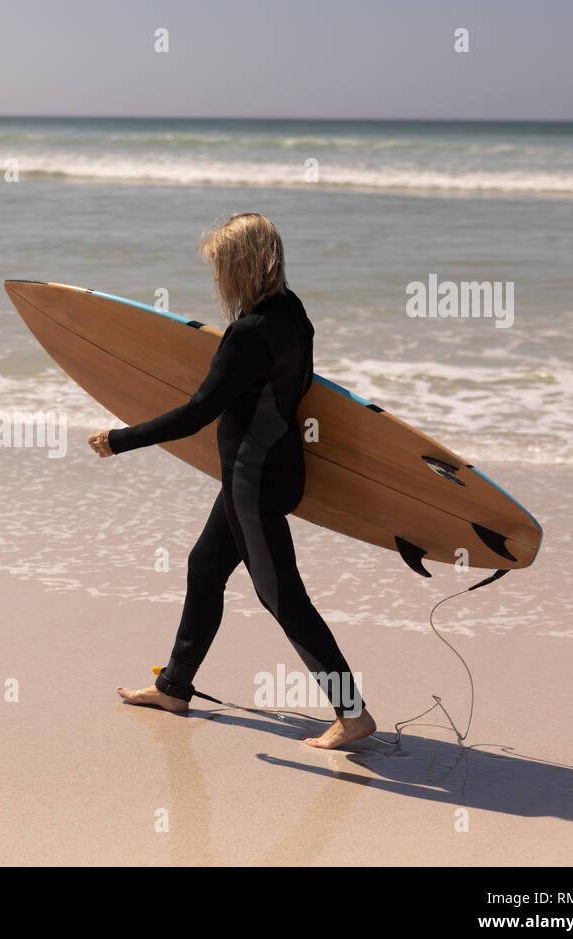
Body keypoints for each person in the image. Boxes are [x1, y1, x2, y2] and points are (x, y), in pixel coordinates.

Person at [91, 212, 375, 749]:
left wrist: (120, 439)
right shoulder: (293, 314)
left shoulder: (247, 334)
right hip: (280, 468)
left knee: (282, 598)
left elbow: (196, 414)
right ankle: (174, 687)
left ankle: (353, 714)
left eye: (220, 267)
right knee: (205, 566)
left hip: (253, 482)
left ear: (241, 266)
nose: (216, 279)